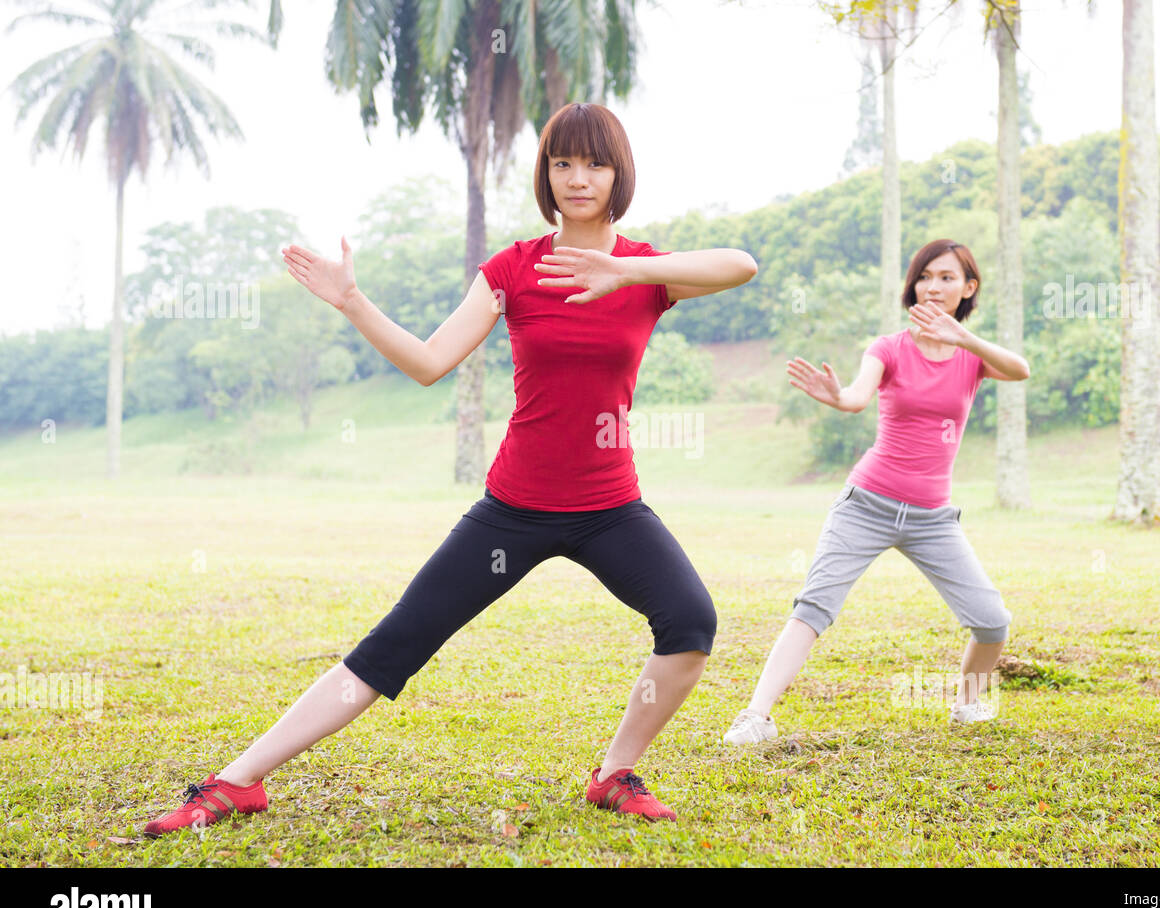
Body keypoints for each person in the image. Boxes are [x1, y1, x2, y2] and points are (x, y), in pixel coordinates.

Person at [141, 103, 757, 835]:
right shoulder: (513, 270)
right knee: (394, 645)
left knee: (689, 621)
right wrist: (352, 301)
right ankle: (235, 782)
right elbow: (431, 362)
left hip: (609, 507)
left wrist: (625, 268)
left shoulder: (649, 273)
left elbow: (741, 265)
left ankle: (613, 773)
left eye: (594, 162)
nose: (577, 177)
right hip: (514, 508)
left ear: (618, 171)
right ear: (546, 174)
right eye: (562, 162)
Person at [723, 239, 1029, 745]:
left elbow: (1021, 369)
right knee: (813, 607)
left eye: (947, 277)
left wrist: (965, 340)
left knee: (992, 620)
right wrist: (837, 397)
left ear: (968, 288)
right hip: (867, 504)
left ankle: (968, 703)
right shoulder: (889, 347)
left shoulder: (973, 358)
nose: (934, 286)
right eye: (926, 275)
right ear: (914, 284)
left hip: (933, 518)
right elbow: (857, 396)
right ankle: (757, 715)